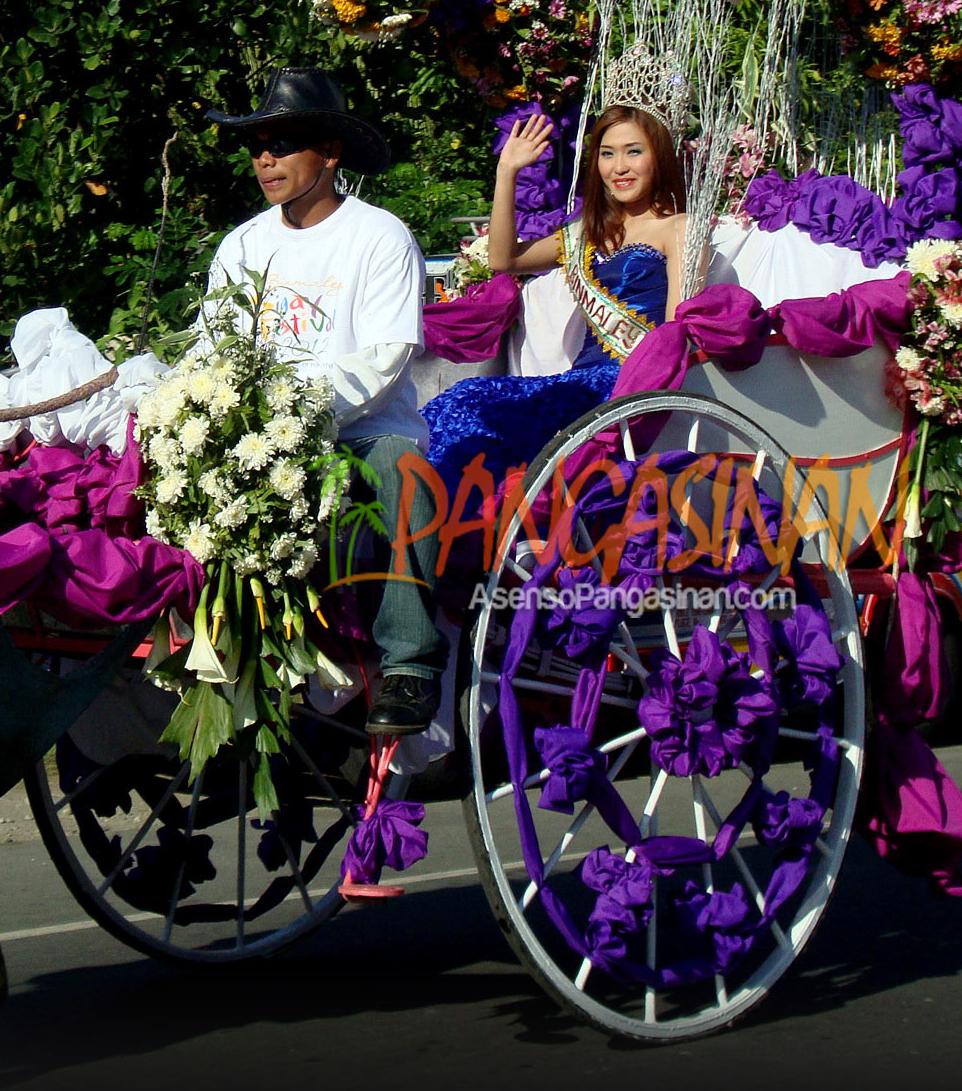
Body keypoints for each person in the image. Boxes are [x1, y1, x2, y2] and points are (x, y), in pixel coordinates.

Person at [204, 68, 445, 736]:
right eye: (257, 147)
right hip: (258, 434)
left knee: (403, 470)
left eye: (282, 145)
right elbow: (214, 350)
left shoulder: (380, 237)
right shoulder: (242, 245)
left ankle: (411, 666)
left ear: (331, 153)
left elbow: (384, 359)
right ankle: (222, 650)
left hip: (361, 432)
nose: (265, 160)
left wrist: (295, 415)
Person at [422, 103, 688, 504]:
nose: (619, 167)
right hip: (579, 381)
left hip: (625, 386)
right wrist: (507, 173)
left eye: (634, 151)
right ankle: (454, 521)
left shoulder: (677, 227)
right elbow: (503, 260)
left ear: (659, 157)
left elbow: (674, 331)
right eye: (607, 154)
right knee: (460, 403)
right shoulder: (588, 233)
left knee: (479, 409)